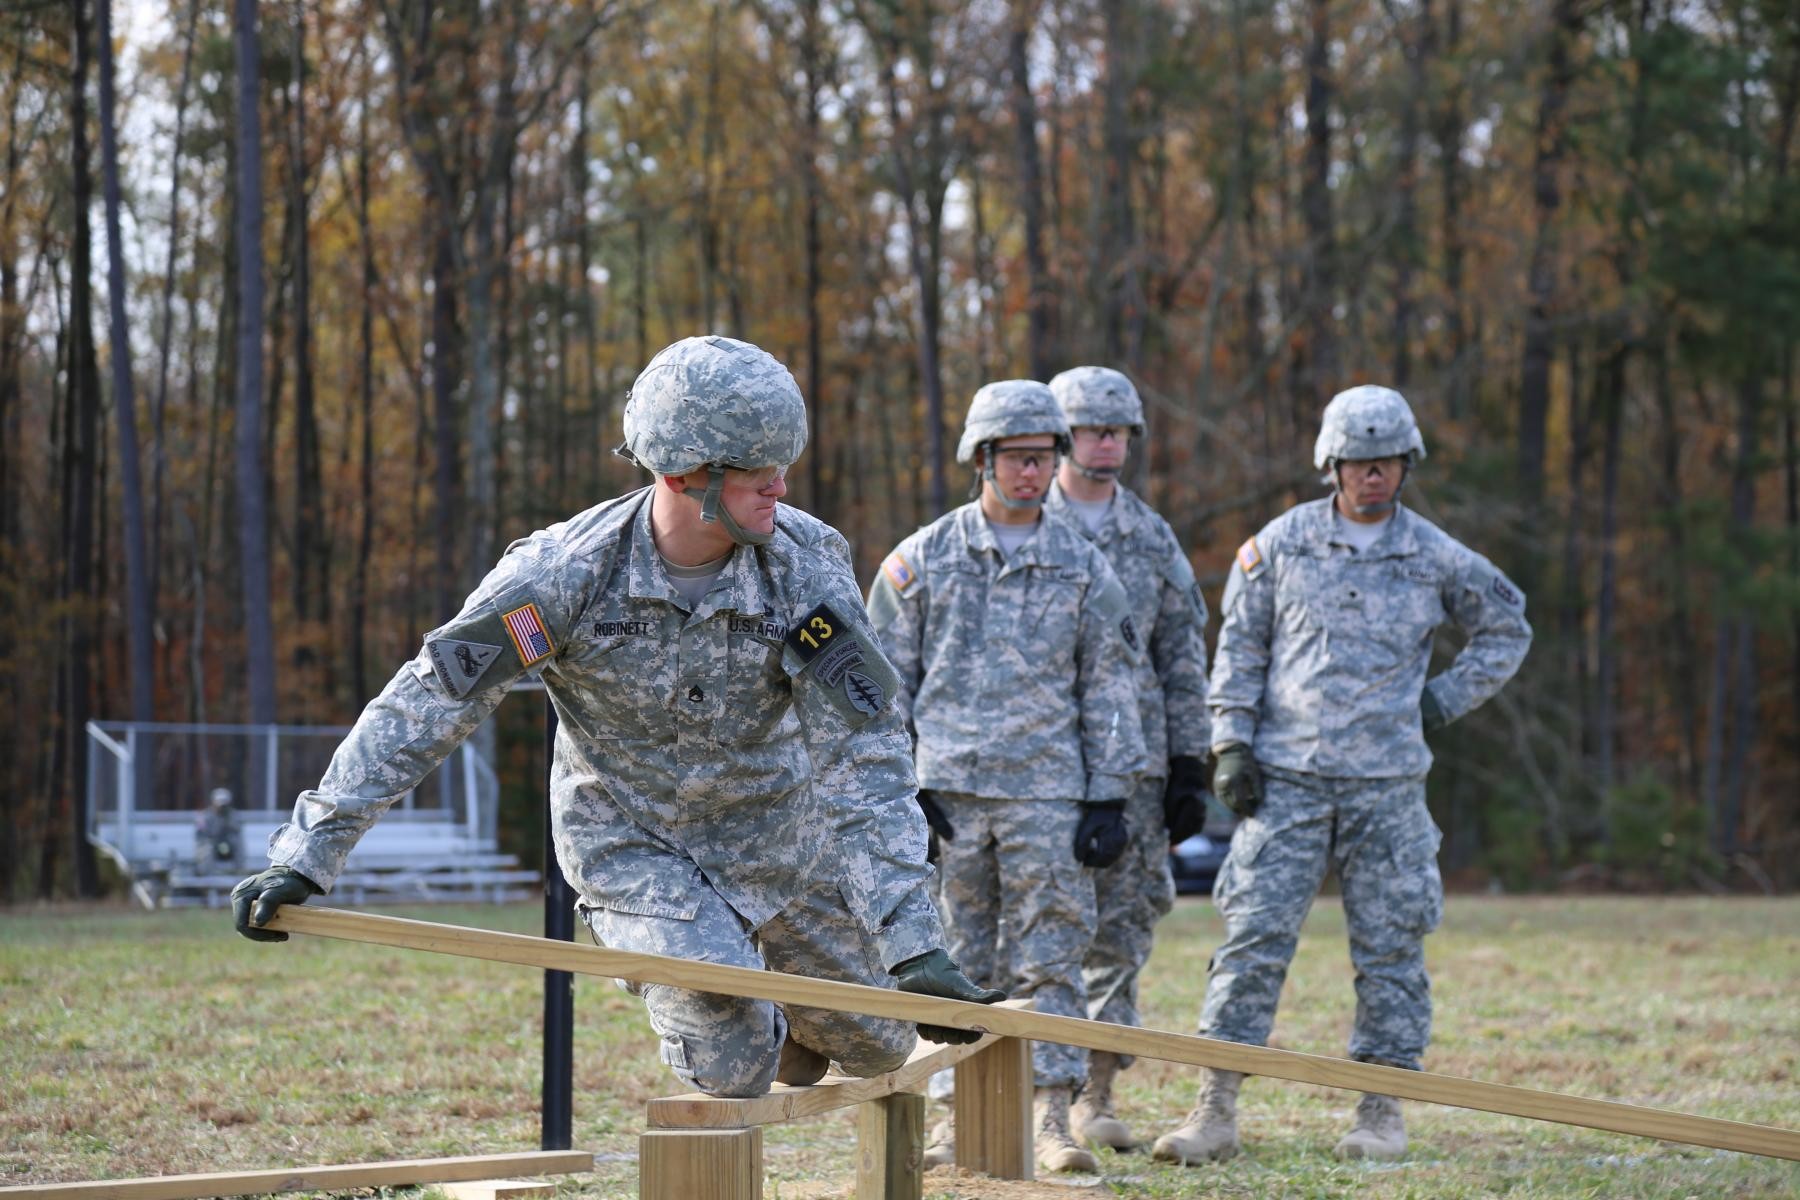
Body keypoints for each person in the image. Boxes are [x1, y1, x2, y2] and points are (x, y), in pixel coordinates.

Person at [230, 335, 1004, 1098]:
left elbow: (864, 757)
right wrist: (306, 852)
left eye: (783, 468)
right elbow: (429, 703)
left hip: (778, 842)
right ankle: (715, 996)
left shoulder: (806, 569)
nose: (781, 489)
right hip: (633, 844)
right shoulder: (562, 577)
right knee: (735, 1064)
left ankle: (778, 1017)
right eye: (758, 474)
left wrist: (913, 941)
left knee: (877, 1044)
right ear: (682, 474)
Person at [1151, 385, 1531, 1164]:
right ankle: (1216, 1106)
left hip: (1386, 786)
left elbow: (1507, 623)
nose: (1373, 477)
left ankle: (1381, 1110)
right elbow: (1242, 649)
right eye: (1359, 463)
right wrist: (1231, 744)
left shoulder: (1434, 554)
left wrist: (1440, 702)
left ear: (1406, 465)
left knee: (1391, 946)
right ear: (1332, 465)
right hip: (1286, 780)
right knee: (1252, 938)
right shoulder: (1282, 545)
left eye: (1387, 463)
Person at [866, 379, 1147, 1173]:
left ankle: (1051, 1116)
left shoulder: (1085, 567)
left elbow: (1109, 685)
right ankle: (955, 1117)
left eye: (1043, 457)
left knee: (1053, 955)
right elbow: (885, 687)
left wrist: (1107, 795)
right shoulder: (922, 562)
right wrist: (903, 789)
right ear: (981, 460)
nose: (1032, 472)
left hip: (1050, 795)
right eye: (1017, 458)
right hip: (949, 793)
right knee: (955, 956)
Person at [1041, 366, 1212, 1151]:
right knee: (1035, 932)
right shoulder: (1022, 520)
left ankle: (1094, 1093)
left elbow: (1181, 650)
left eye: (1117, 430)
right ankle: (1019, 1097)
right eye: (1088, 429)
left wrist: (1189, 760)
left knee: (1120, 931)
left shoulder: (1151, 538)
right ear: (1058, 437)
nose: (1104, 442)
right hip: (1037, 765)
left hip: (1134, 766)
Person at [194, 787, 240, 872]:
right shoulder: (205, 816)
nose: (222, 808)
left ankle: (239, 872)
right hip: (211, 843)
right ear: (213, 802)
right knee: (207, 848)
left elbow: (236, 831)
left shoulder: (232, 815)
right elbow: (201, 834)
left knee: (238, 844)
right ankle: (206, 874)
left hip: (227, 844)